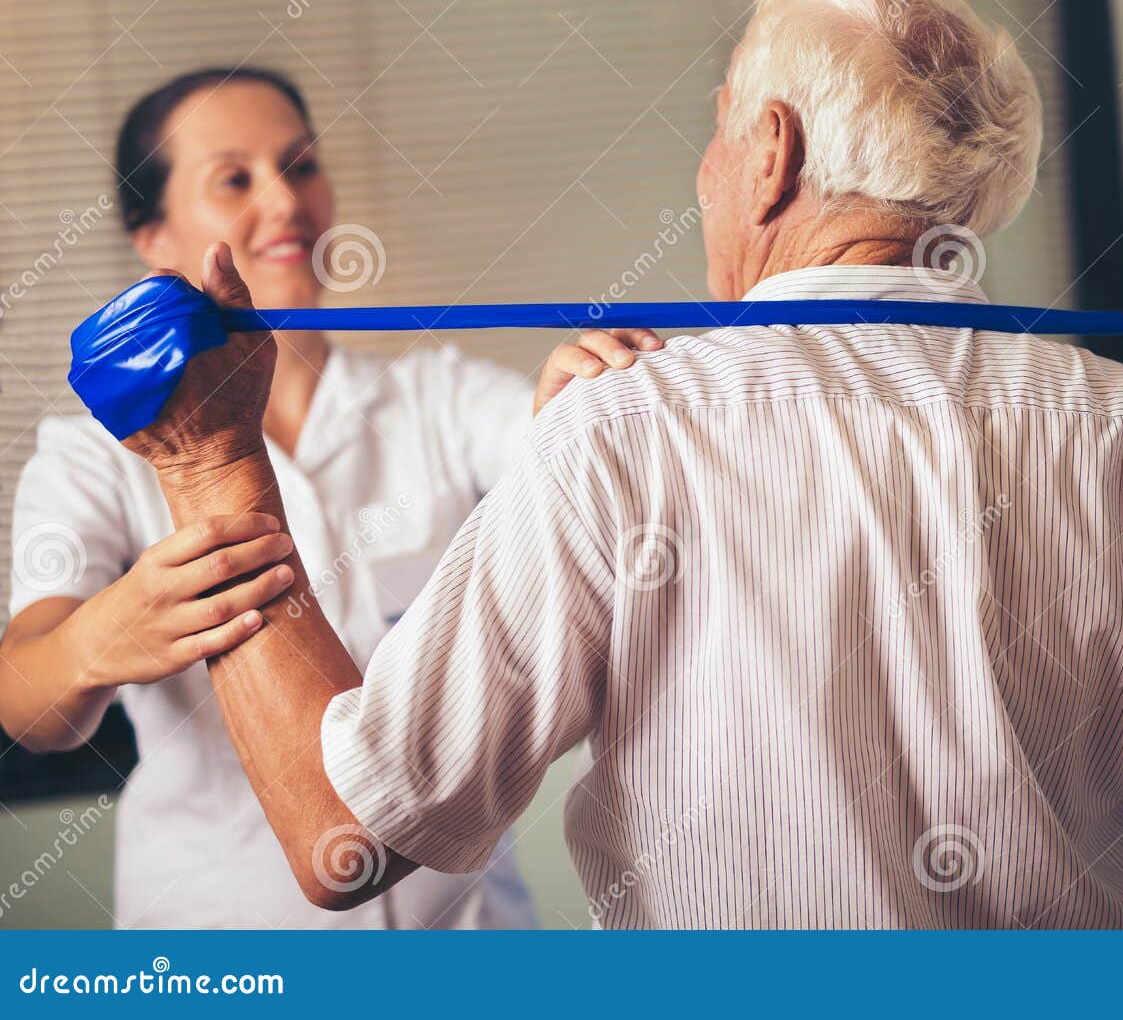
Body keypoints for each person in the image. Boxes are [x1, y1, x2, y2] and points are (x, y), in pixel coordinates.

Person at [103, 0, 1123, 927]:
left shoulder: (618, 443)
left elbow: (347, 842)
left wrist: (211, 465)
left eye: (714, 141)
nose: (708, 177)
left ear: (767, 150)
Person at [0, 67, 658, 928]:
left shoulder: (437, 396)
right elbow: (28, 704)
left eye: (301, 165)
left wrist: (580, 405)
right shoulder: (96, 454)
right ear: (153, 235)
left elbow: (566, 453)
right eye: (235, 178)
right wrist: (103, 637)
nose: (286, 200)